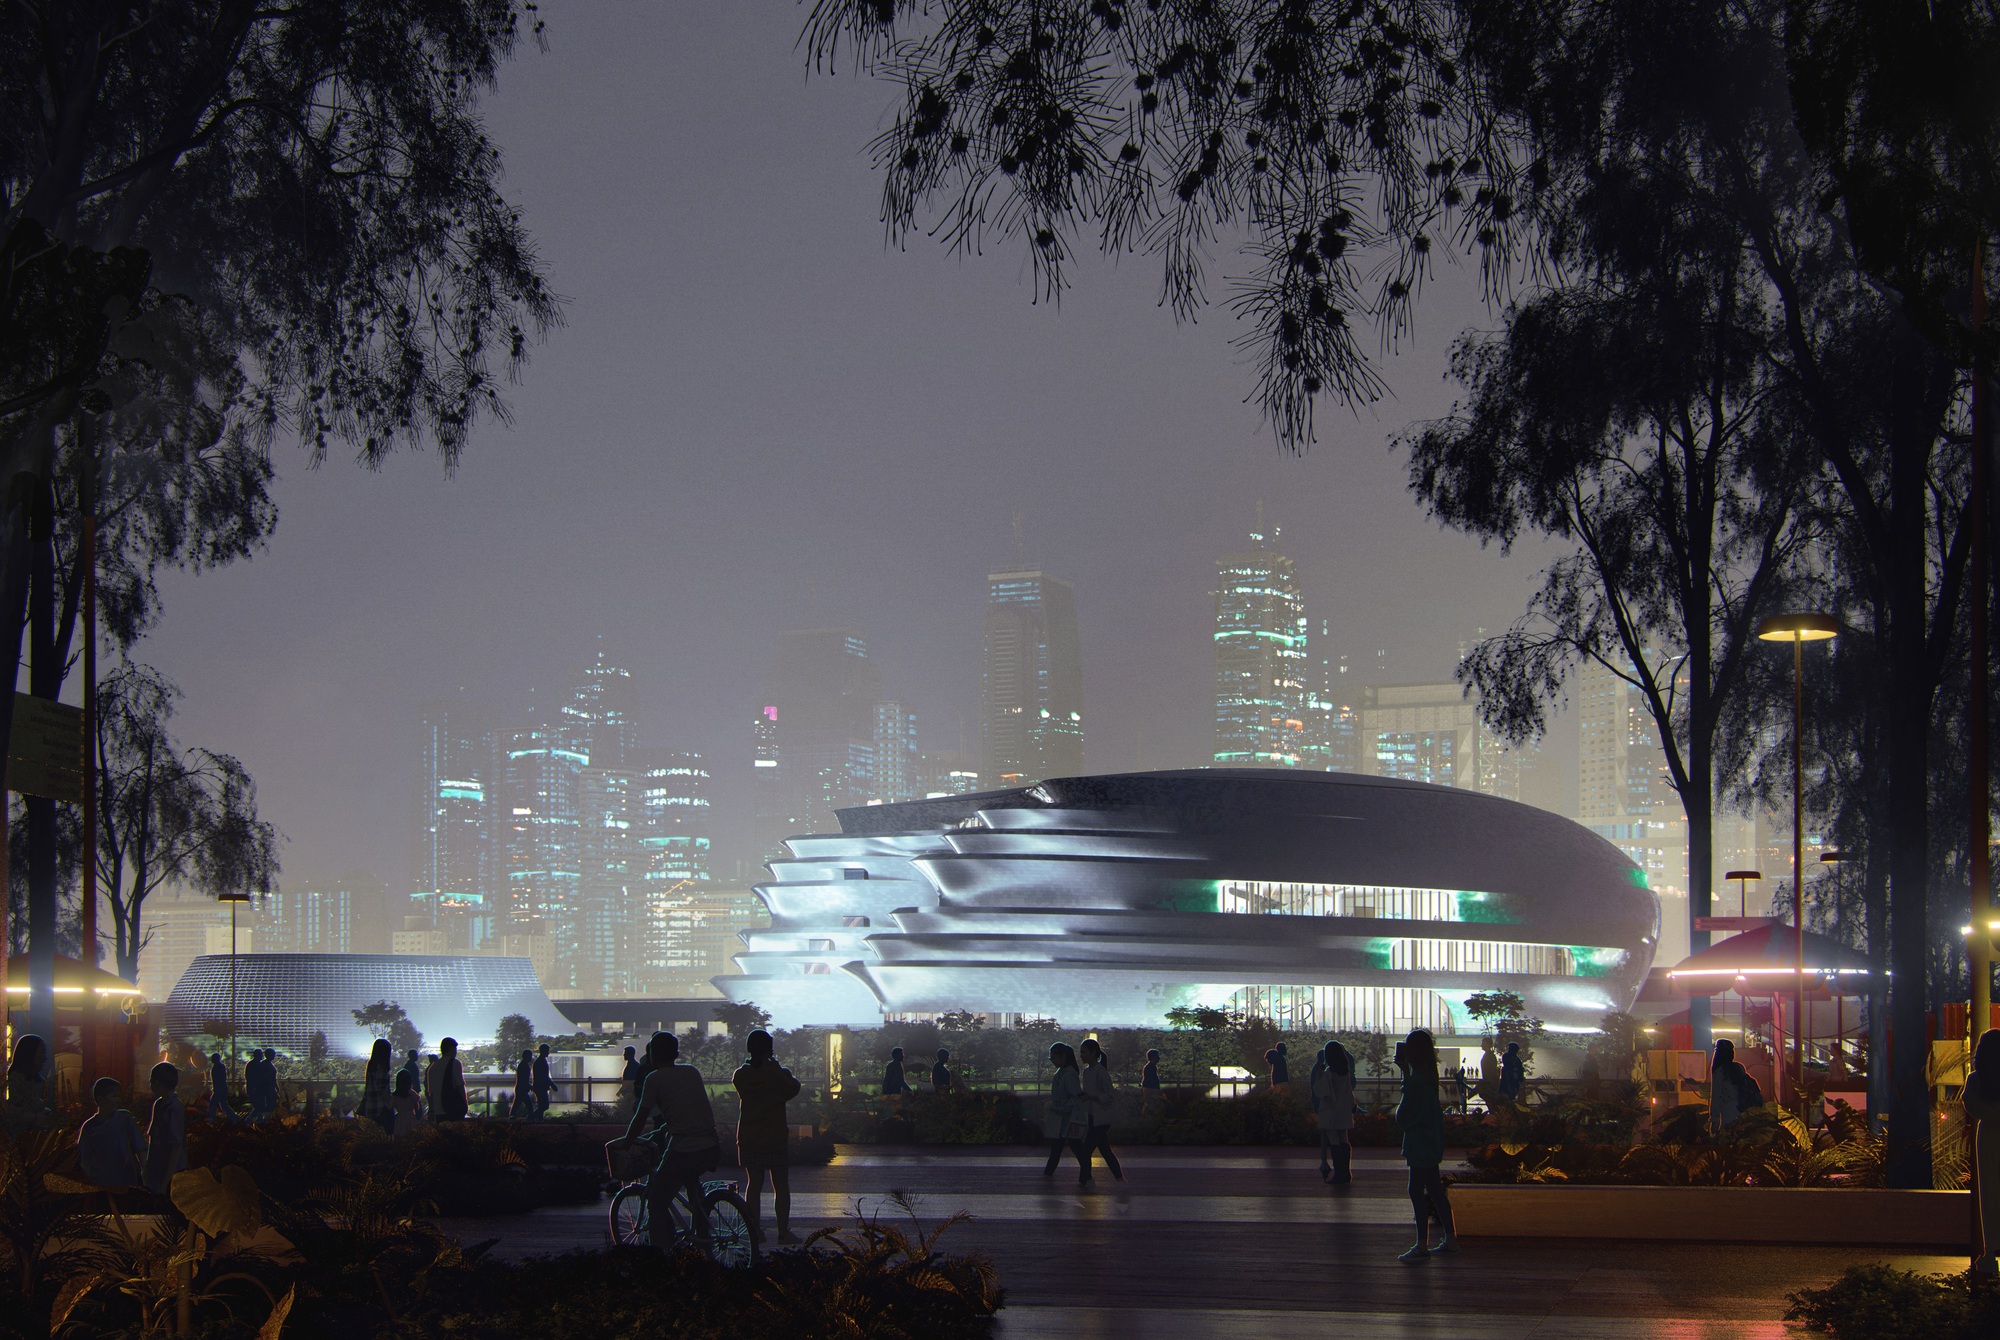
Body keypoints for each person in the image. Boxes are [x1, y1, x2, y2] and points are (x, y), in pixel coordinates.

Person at [613, 1031, 720, 1246]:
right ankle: (702, 1236)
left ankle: (663, 1253)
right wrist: (663, 1131)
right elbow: (687, 1112)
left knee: (657, 1201)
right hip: (710, 1144)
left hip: (684, 1149)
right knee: (693, 1188)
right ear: (676, 1053)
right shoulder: (691, 1072)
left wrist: (626, 1142)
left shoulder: (654, 1079)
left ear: (652, 1055)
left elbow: (640, 1118)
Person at [733, 1029, 803, 1246]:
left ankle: (755, 1231)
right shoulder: (775, 1075)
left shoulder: (740, 1075)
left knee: (753, 1184)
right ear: (769, 1050)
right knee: (780, 1185)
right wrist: (779, 1070)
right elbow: (794, 1088)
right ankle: (783, 1232)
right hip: (774, 1137)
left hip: (749, 1137)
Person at [1394, 1028, 1456, 1260]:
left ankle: (1421, 1244)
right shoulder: (1428, 1078)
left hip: (1419, 1144)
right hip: (1430, 1142)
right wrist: (1406, 1072)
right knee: (1436, 1191)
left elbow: (1403, 1116)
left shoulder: (1417, 1082)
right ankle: (1450, 1238)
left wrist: (1405, 1074)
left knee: (1415, 1190)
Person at [1964, 1028, 2000, 1276]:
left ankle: (1991, 1250)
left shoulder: (1977, 1079)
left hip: (1988, 1135)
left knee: (1990, 1192)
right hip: (1990, 1132)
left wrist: (1994, 1118)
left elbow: (1971, 1103)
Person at [78, 1077, 146, 1189]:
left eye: (118, 1096)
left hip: (129, 1183)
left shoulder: (125, 1118)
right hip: (104, 1186)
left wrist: (145, 1175)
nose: (117, 1100)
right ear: (100, 1099)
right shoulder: (89, 1127)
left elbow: (140, 1149)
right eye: (113, 1096)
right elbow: (84, 1160)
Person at [1076, 1038, 1123, 1184]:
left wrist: (1092, 1097)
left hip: (1100, 1117)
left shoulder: (1100, 1072)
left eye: (1084, 1052)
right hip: (1093, 1116)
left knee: (1086, 1150)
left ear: (1093, 1053)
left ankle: (1086, 1179)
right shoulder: (1088, 1072)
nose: (1081, 1055)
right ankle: (1119, 1177)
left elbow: (1110, 1095)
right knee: (1104, 1150)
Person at [1041, 1043, 1089, 1183]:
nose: (1052, 1060)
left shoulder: (1067, 1075)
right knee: (1064, 1148)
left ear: (1063, 1057)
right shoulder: (1062, 1073)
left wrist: (1062, 1108)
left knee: (1070, 1148)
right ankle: (1085, 1176)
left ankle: (1085, 1175)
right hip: (1063, 1119)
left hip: (1068, 1118)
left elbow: (1076, 1097)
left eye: (1054, 1057)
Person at [1315, 1040, 1357, 1185]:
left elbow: (1321, 1091)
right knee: (1344, 1139)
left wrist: (1319, 1074)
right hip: (1343, 1110)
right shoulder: (1345, 1072)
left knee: (1333, 1140)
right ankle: (1346, 1173)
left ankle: (1339, 1174)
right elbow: (1348, 1091)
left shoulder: (1329, 1073)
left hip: (1331, 1110)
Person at [143, 1063, 187, 1196]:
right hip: (157, 1168)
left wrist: (165, 1182)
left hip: (171, 1172)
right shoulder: (159, 1105)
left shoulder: (175, 1108)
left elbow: (176, 1147)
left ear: (156, 1083)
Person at [1710, 1038, 1749, 1135]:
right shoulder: (1739, 1067)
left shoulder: (1719, 1071)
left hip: (1727, 1112)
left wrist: (1715, 1120)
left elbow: (1717, 1096)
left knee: (1727, 1141)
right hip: (1743, 1110)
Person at [360, 1039, 395, 1134]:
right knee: (388, 1135)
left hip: (369, 1107)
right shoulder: (382, 1068)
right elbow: (384, 1092)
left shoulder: (371, 1065)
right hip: (381, 1108)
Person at [6, 1034, 48, 1111]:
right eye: (42, 1052)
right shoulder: (16, 1079)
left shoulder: (39, 1082)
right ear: (30, 1053)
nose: (45, 1057)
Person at [434, 1038, 468, 1121]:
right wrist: (465, 1103)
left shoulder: (435, 1065)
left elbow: (431, 1090)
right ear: (451, 1049)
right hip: (453, 1108)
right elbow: (460, 1085)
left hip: (438, 1108)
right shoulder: (455, 1063)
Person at [390, 1070, 422, 1137]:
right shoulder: (411, 1093)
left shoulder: (395, 1095)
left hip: (400, 1119)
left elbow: (390, 1106)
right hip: (411, 1118)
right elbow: (417, 1107)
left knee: (400, 1136)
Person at [208, 1052, 235, 1123]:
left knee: (213, 1105)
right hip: (221, 1089)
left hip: (219, 1090)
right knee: (223, 1105)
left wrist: (215, 1089)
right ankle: (234, 1117)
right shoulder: (221, 1066)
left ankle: (212, 1119)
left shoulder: (217, 1068)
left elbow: (217, 1080)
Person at [532, 1043, 554, 1117]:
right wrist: (552, 1084)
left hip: (539, 1087)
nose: (549, 1052)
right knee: (544, 1106)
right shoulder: (541, 1062)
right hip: (540, 1087)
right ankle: (532, 1117)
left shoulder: (539, 1061)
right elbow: (544, 1076)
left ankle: (539, 1120)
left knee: (541, 1105)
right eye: (548, 1050)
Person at [513, 1049, 534, 1121]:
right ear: (527, 1056)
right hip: (522, 1089)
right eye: (530, 1056)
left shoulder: (522, 1065)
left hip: (520, 1089)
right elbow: (524, 1079)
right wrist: (530, 1086)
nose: (531, 1058)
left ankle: (511, 1118)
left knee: (517, 1105)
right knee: (529, 1106)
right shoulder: (524, 1066)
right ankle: (530, 1119)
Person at [1141, 1048, 1163, 1112]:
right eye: (1157, 1056)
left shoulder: (1152, 1067)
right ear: (1153, 1057)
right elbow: (1150, 1081)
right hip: (1150, 1090)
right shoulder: (1149, 1068)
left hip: (1151, 1089)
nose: (1159, 1058)